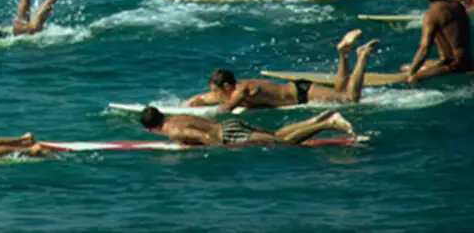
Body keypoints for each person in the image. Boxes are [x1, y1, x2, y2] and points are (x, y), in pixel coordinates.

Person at [185, 30, 379, 110]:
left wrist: (205, 116)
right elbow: (204, 98)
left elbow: (226, 108)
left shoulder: (242, 89)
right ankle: (343, 54)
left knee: (350, 100)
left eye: (215, 90)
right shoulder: (232, 88)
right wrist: (192, 102)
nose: (213, 94)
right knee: (339, 89)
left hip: (302, 93)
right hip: (298, 91)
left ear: (226, 86)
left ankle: (362, 55)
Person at [140, 106, 355, 147]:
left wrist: (220, 150)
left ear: (151, 129)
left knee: (285, 143)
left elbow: (201, 136)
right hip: (229, 124)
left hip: (227, 135)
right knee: (276, 133)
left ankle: (329, 123)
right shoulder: (178, 116)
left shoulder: (173, 131)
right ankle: (315, 120)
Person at [402, 0, 472, 83]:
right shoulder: (458, 6)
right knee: (405, 67)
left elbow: (424, 48)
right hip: (468, 61)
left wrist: (411, 73)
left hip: (454, 66)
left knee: (411, 77)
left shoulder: (432, 14)